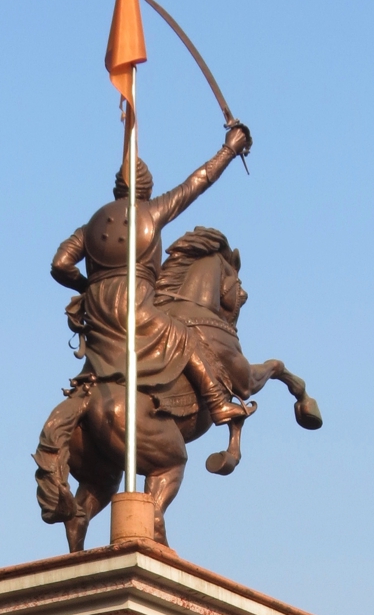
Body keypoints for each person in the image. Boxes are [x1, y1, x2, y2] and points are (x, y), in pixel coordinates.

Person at [50, 124, 253, 426]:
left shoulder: (90, 227)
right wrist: (230, 149)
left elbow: (60, 264)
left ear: (117, 190)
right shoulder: (151, 212)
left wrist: (87, 286)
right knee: (183, 336)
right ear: (146, 191)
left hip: (97, 312)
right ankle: (218, 402)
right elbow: (197, 182)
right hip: (135, 305)